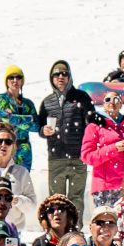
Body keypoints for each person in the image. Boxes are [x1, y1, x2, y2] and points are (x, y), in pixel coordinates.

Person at [38, 59, 96, 210]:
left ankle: (76, 225)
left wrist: (87, 148)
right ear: (51, 78)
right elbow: (39, 126)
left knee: (76, 199)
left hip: (78, 157)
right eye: (56, 74)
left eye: (64, 74)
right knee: (56, 200)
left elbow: (92, 124)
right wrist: (43, 130)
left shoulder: (82, 97)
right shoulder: (47, 102)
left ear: (69, 77)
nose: (60, 77)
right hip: (56, 157)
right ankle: (58, 225)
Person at [82, 92, 124, 207]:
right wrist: (113, 148)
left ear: (121, 104)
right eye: (108, 99)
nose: (112, 102)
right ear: (103, 104)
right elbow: (87, 156)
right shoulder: (94, 127)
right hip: (104, 188)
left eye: (116, 99)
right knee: (107, 218)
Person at [0, 68, 41, 167]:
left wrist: (14, 118)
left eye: (18, 77)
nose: (15, 80)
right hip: (5, 146)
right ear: (6, 81)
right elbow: (5, 118)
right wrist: (29, 118)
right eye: (11, 77)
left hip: (24, 150)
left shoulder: (28, 103)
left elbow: (36, 126)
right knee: (3, 176)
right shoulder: (0, 99)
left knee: (24, 177)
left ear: (22, 81)